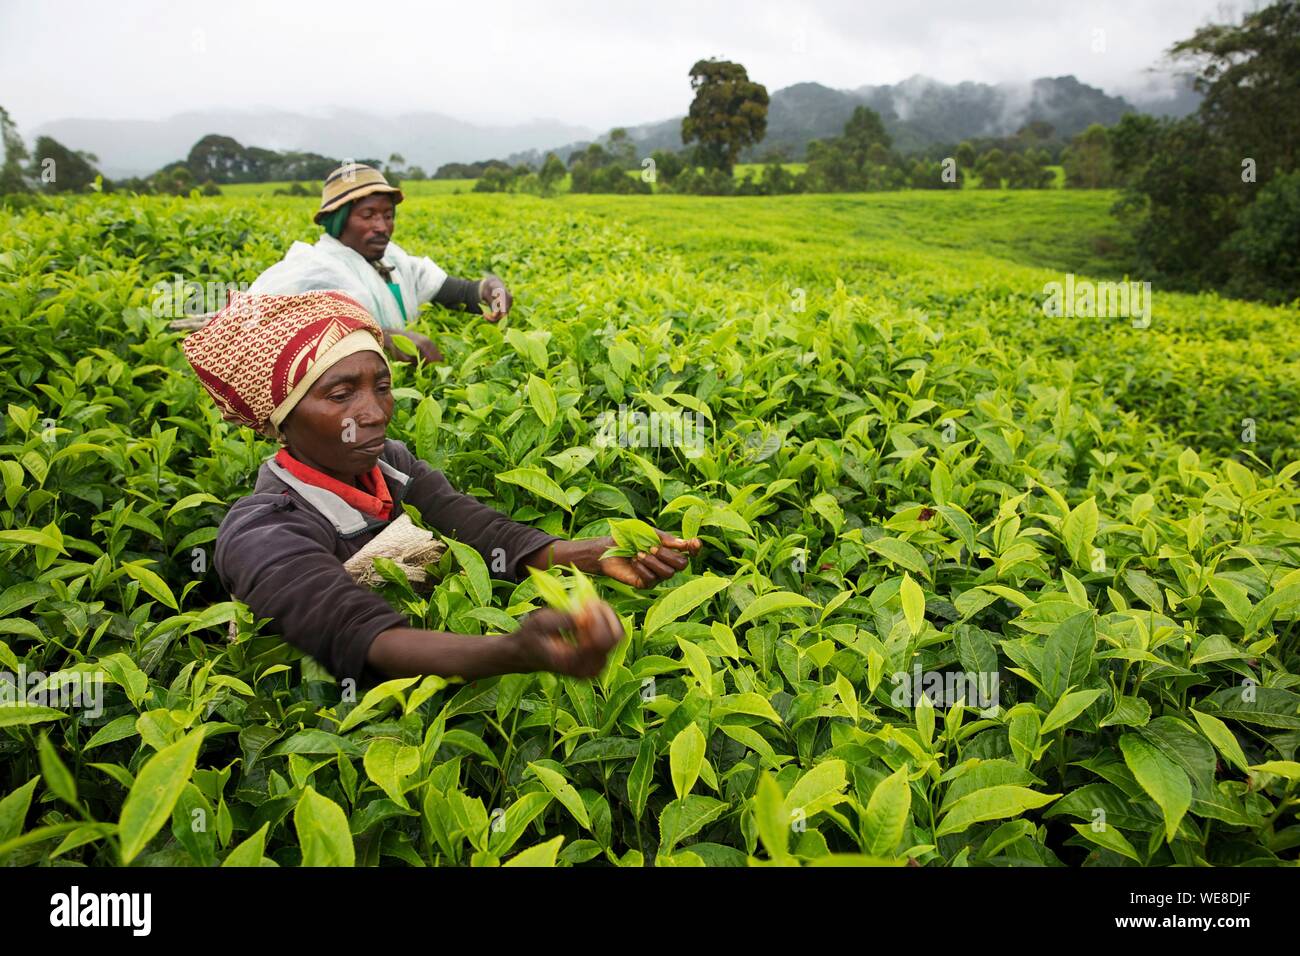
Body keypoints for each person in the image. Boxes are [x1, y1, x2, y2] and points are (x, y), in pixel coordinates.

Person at [181, 290, 701, 688]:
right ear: (280, 421)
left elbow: (477, 528)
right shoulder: (263, 529)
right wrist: (513, 652)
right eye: (341, 395)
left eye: (381, 387)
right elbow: (359, 634)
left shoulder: (392, 465)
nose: (373, 413)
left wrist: (594, 553)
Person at [247, 162, 510, 364]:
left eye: (387, 215)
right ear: (339, 220)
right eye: (368, 215)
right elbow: (285, 335)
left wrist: (491, 289)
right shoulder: (313, 269)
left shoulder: (392, 259)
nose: (382, 227)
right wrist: (385, 338)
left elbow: (460, 293)